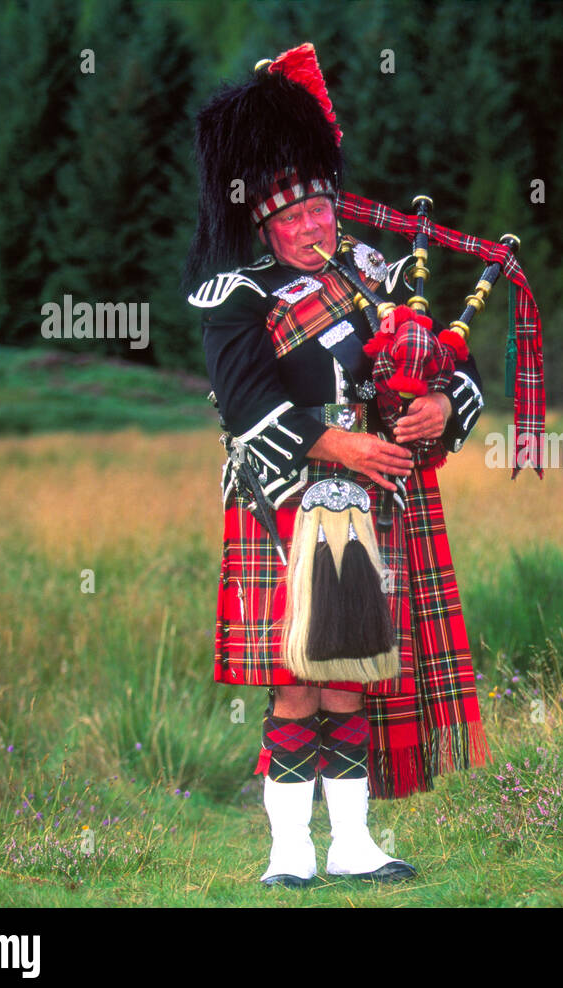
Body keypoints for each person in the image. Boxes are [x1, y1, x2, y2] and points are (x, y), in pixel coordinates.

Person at [182, 45, 491, 887]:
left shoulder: (372, 278)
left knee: (352, 676)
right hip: (284, 505)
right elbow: (246, 406)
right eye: (294, 219)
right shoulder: (239, 299)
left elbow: (443, 365)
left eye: (321, 209)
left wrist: (444, 406)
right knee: (295, 684)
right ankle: (289, 851)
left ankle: (353, 844)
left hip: (373, 503)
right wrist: (341, 442)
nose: (314, 228)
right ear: (263, 225)